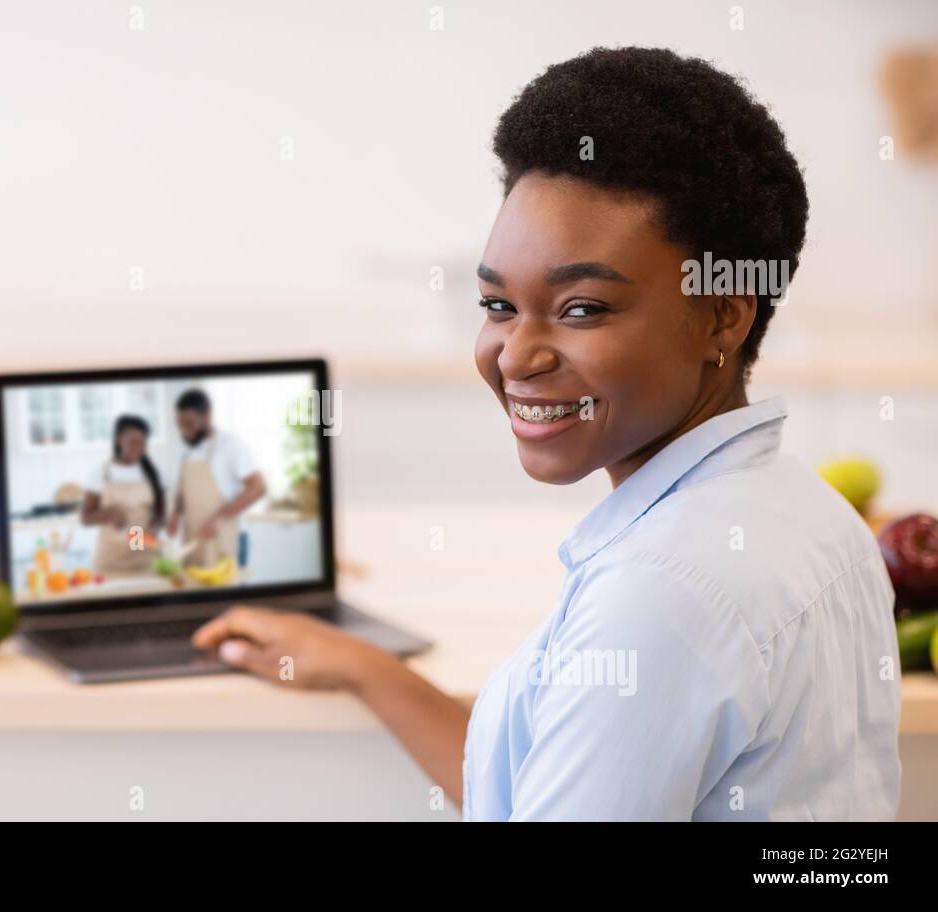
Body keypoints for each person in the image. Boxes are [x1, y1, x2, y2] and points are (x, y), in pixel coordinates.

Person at [191, 47, 901, 821]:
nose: (517, 355)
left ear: (723, 314)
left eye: (582, 309)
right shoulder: (810, 516)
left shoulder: (661, 595)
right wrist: (372, 672)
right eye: (498, 305)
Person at [166, 389, 266, 568]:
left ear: (208, 416)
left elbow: (258, 487)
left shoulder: (231, 445)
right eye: (180, 425)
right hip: (193, 540)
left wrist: (219, 518)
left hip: (226, 537)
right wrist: (176, 513)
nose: (185, 432)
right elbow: (185, 491)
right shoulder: (187, 450)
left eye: (189, 424)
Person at [80, 414, 165, 575]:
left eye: (143, 442)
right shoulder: (101, 472)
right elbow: (85, 517)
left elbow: (160, 514)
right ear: (118, 440)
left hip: (145, 561)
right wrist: (107, 515)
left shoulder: (153, 473)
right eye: (133, 441)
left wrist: (154, 529)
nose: (139, 447)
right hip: (110, 562)